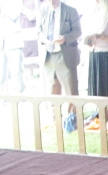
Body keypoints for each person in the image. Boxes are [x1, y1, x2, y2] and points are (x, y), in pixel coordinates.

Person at [38, 0, 81, 129]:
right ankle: (55, 118)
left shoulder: (71, 10)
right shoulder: (43, 10)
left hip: (65, 54)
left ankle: (72, 120)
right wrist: (44, 39)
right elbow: (39, 30)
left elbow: (78, 31)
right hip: (49, 55)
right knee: (53, 89)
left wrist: (65, 38)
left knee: (70, 89)